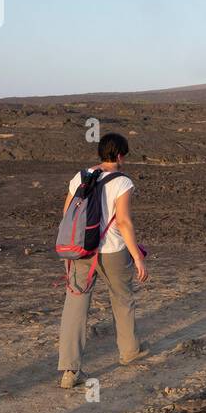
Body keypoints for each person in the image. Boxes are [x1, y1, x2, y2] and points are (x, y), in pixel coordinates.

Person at [58, 133, 150, 388]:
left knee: (75, 306)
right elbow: (123, 222)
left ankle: (69, 371)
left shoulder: (80, 176)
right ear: (120, 155)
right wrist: (137, 256)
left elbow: (67, 213)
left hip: (81, 251)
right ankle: (130, 352)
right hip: (112, 251)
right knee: (122, 298)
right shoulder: (123, 182)